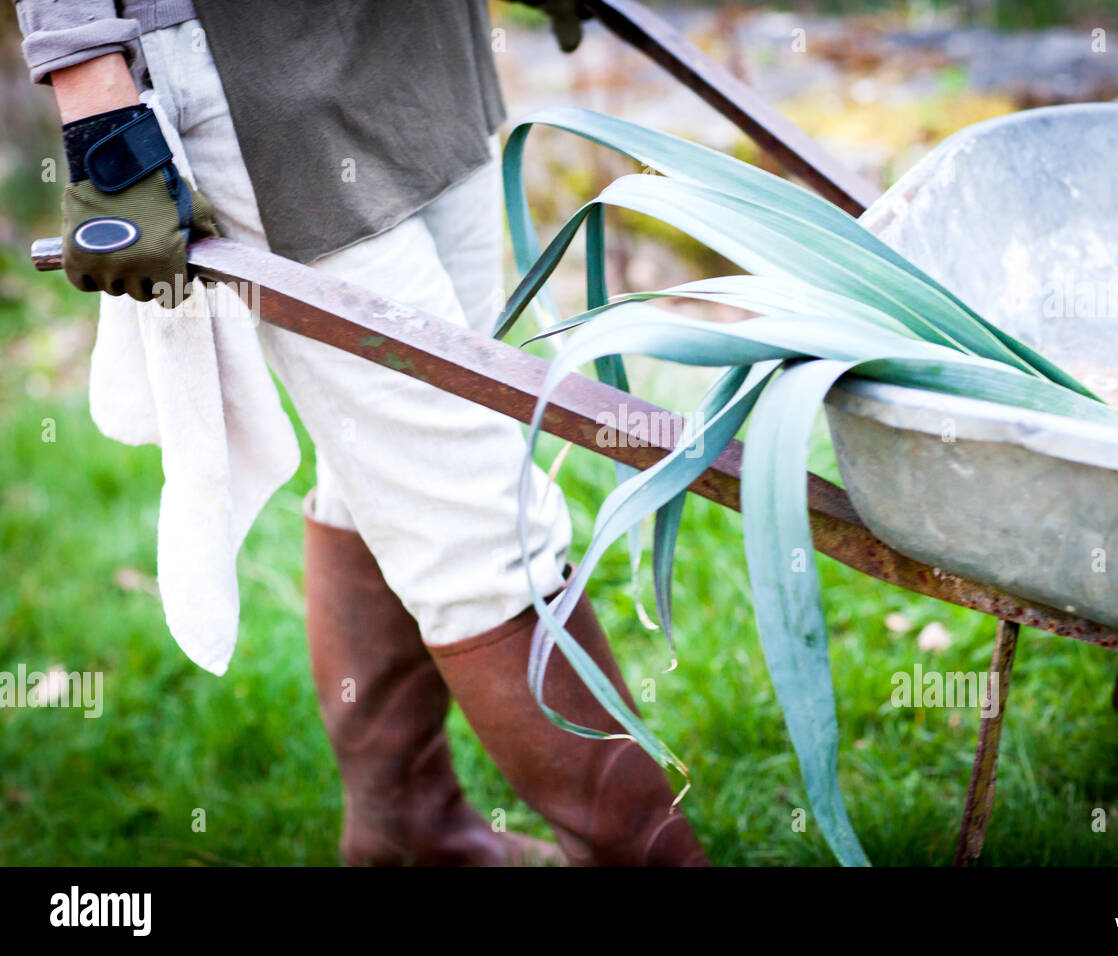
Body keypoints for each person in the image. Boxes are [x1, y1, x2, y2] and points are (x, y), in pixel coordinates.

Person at [13, 0, 710, 867]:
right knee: (475, 512)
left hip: (423, 52)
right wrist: (98, 109)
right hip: (263, 88)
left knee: (389, 471)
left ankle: (406, 830)